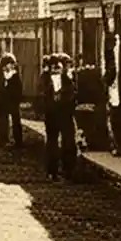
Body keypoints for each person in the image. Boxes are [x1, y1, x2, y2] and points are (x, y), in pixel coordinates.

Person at [41, 53, 77, 182]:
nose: (56, 70)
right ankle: (53, 171)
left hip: (64, 114)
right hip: (53, 115)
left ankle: (68, 171)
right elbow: (43, 96)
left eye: (59, 67)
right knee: (53, 143)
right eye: (54, 67)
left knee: (68, 142)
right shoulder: (46, 79)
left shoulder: (68, 80)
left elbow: (72, 95)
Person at [0, 53, 23, 149]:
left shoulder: (15, 75)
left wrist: (17, 98)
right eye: (9, 64)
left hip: (13, 100)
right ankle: (2, 140)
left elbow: (19, 88)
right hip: (2, 101)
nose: (11, 66)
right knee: (2, 121)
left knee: (16, 120)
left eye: (12, 64)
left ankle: (18, 140)